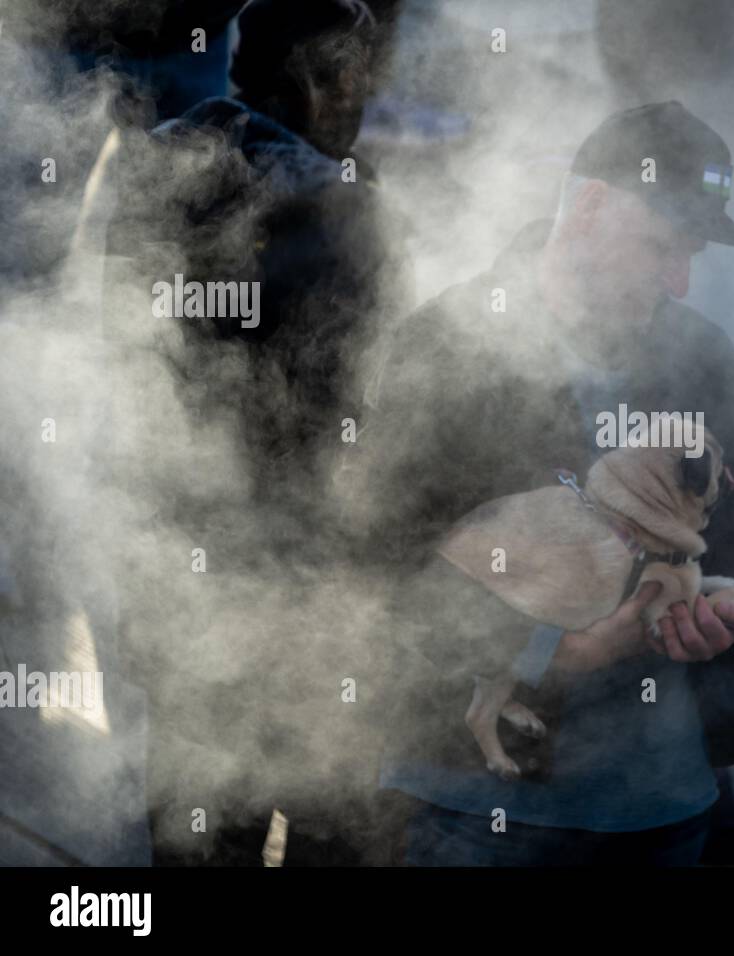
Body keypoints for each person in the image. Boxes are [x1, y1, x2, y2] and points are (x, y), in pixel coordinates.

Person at [348, 101, 734, 865]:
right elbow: (380, 564)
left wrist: (726, 611)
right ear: (590, 207)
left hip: (659, 803)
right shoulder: (445, 342)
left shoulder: (705, 356)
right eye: (659, 248)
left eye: (691, 257)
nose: (678, 282)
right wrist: (549, 650)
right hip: (479, 807)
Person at [103, 0, 406, 865]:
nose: (366, 100)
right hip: (310, 587)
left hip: (182, 576)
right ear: (326, 77)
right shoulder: (346, 211)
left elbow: (129, 376)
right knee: (328, 830)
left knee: (198, 828)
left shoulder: (153, 176)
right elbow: (375, 419)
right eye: (358, 77)